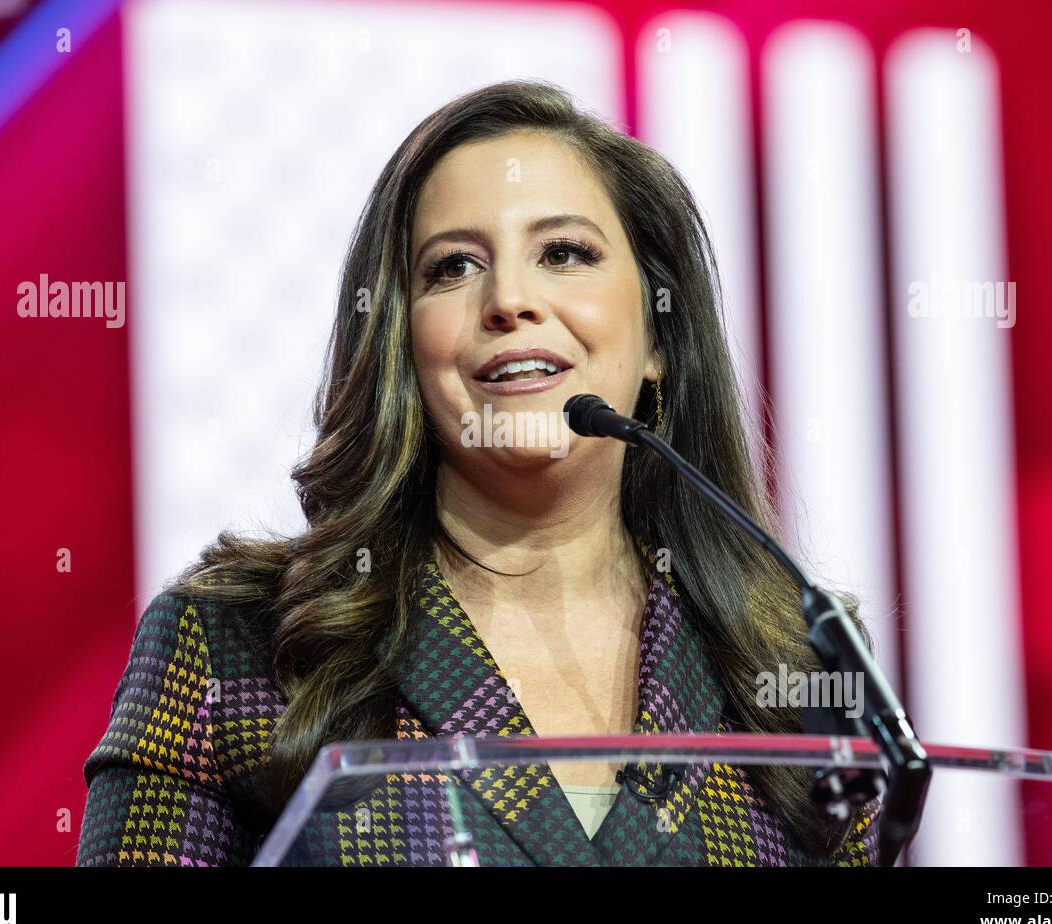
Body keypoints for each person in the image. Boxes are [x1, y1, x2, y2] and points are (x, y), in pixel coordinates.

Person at [75, 78, 882, 867]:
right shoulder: (237, 645)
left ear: (660, 340)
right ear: (402, 345)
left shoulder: (792, 670)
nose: (509, 300)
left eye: (564, 253)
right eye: (453, 268)